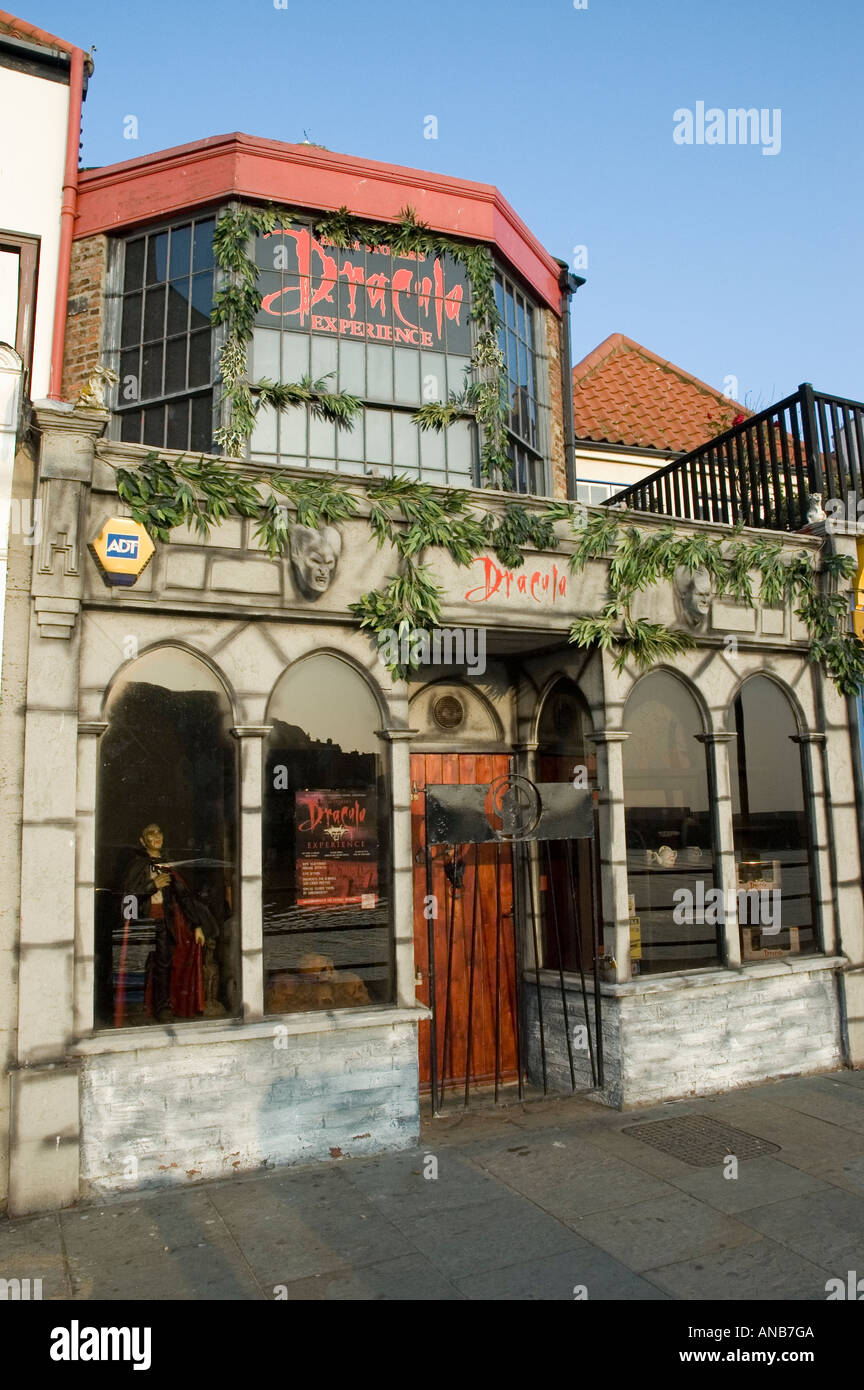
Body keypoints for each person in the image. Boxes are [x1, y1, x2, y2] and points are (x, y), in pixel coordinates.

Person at [120, 823, 217, 1024]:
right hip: (143, 922)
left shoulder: (168, 866)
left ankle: (162, 1008)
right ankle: (137, 1009)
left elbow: (183, 896)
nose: (156, 837)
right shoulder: (136, 865)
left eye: (159, 833)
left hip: (164, 923)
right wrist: (152, 885)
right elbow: (128, 897)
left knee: (164, 965)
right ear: (142, 840)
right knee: (140, 965)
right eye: (150, 834)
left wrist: (196, 925)